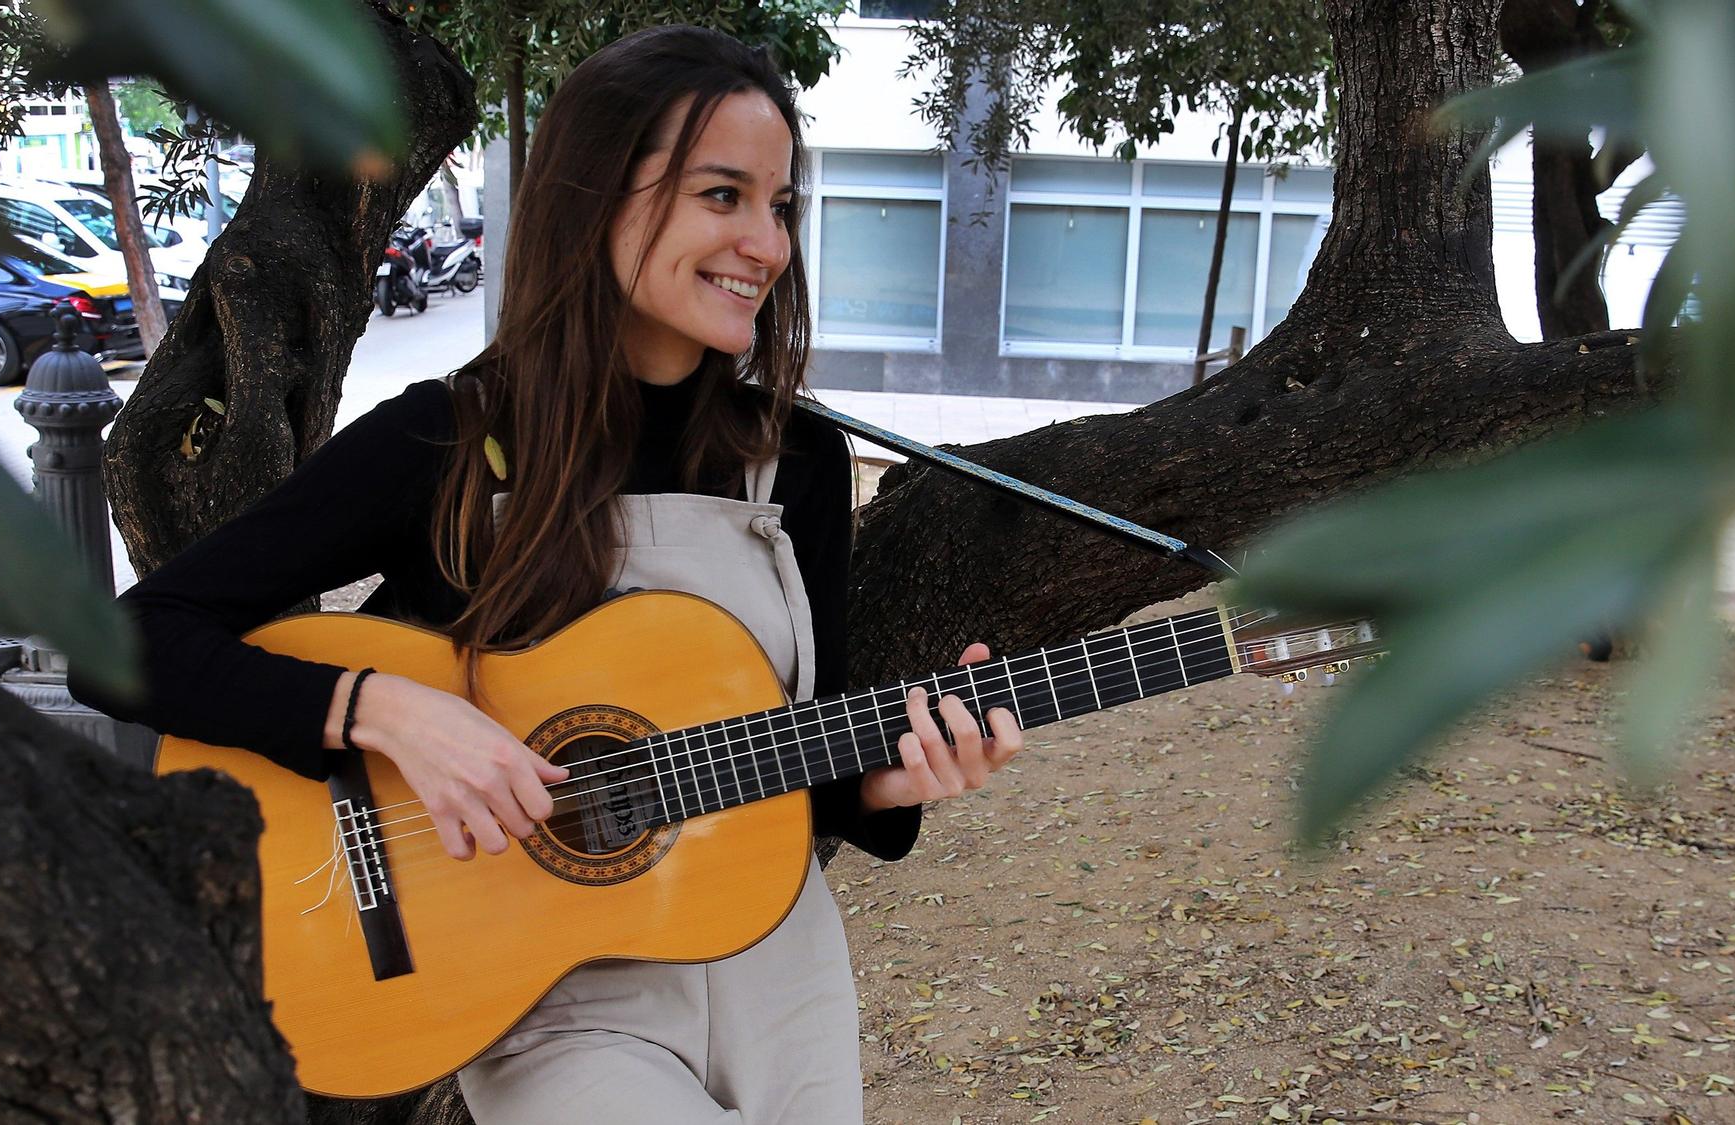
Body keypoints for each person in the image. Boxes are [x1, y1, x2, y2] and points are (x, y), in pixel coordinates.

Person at [74, 24, 1024, 1124]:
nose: (764, 243)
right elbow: (129, 642)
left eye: (779, 205)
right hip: (554, 1001)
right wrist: (375, 712)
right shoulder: (447, 441)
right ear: (595, 196)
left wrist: (888, 780)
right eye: (723, 195)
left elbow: (791, 741)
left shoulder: (796, 462)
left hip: (779, 966)